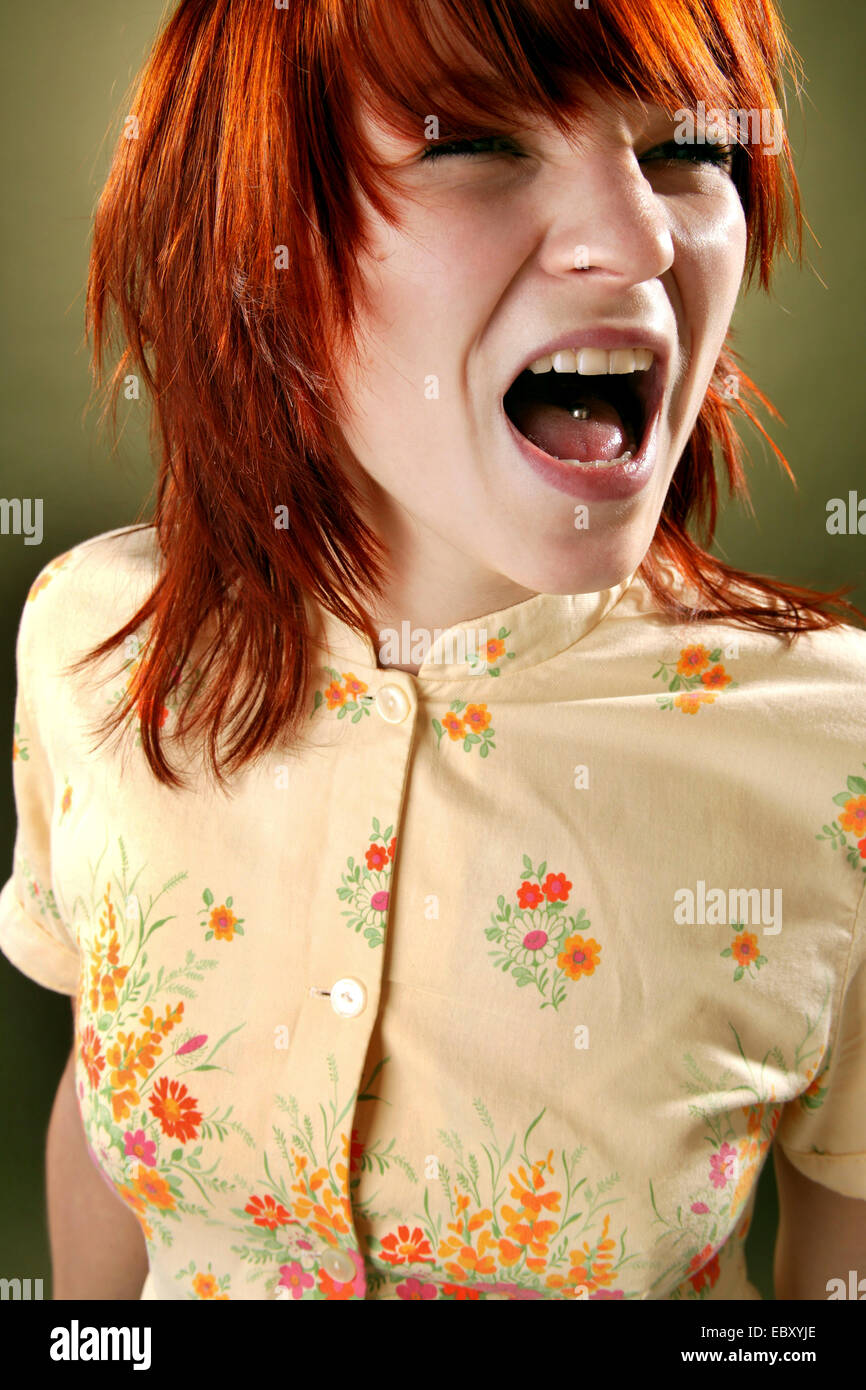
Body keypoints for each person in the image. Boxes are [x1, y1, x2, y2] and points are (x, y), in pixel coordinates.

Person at [1, 0, 864, 1302]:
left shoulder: (835, 753)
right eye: (471, 138)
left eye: (684, 147)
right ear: (254, 234)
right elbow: (103, 1108)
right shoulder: (92, 643)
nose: (636, 239)